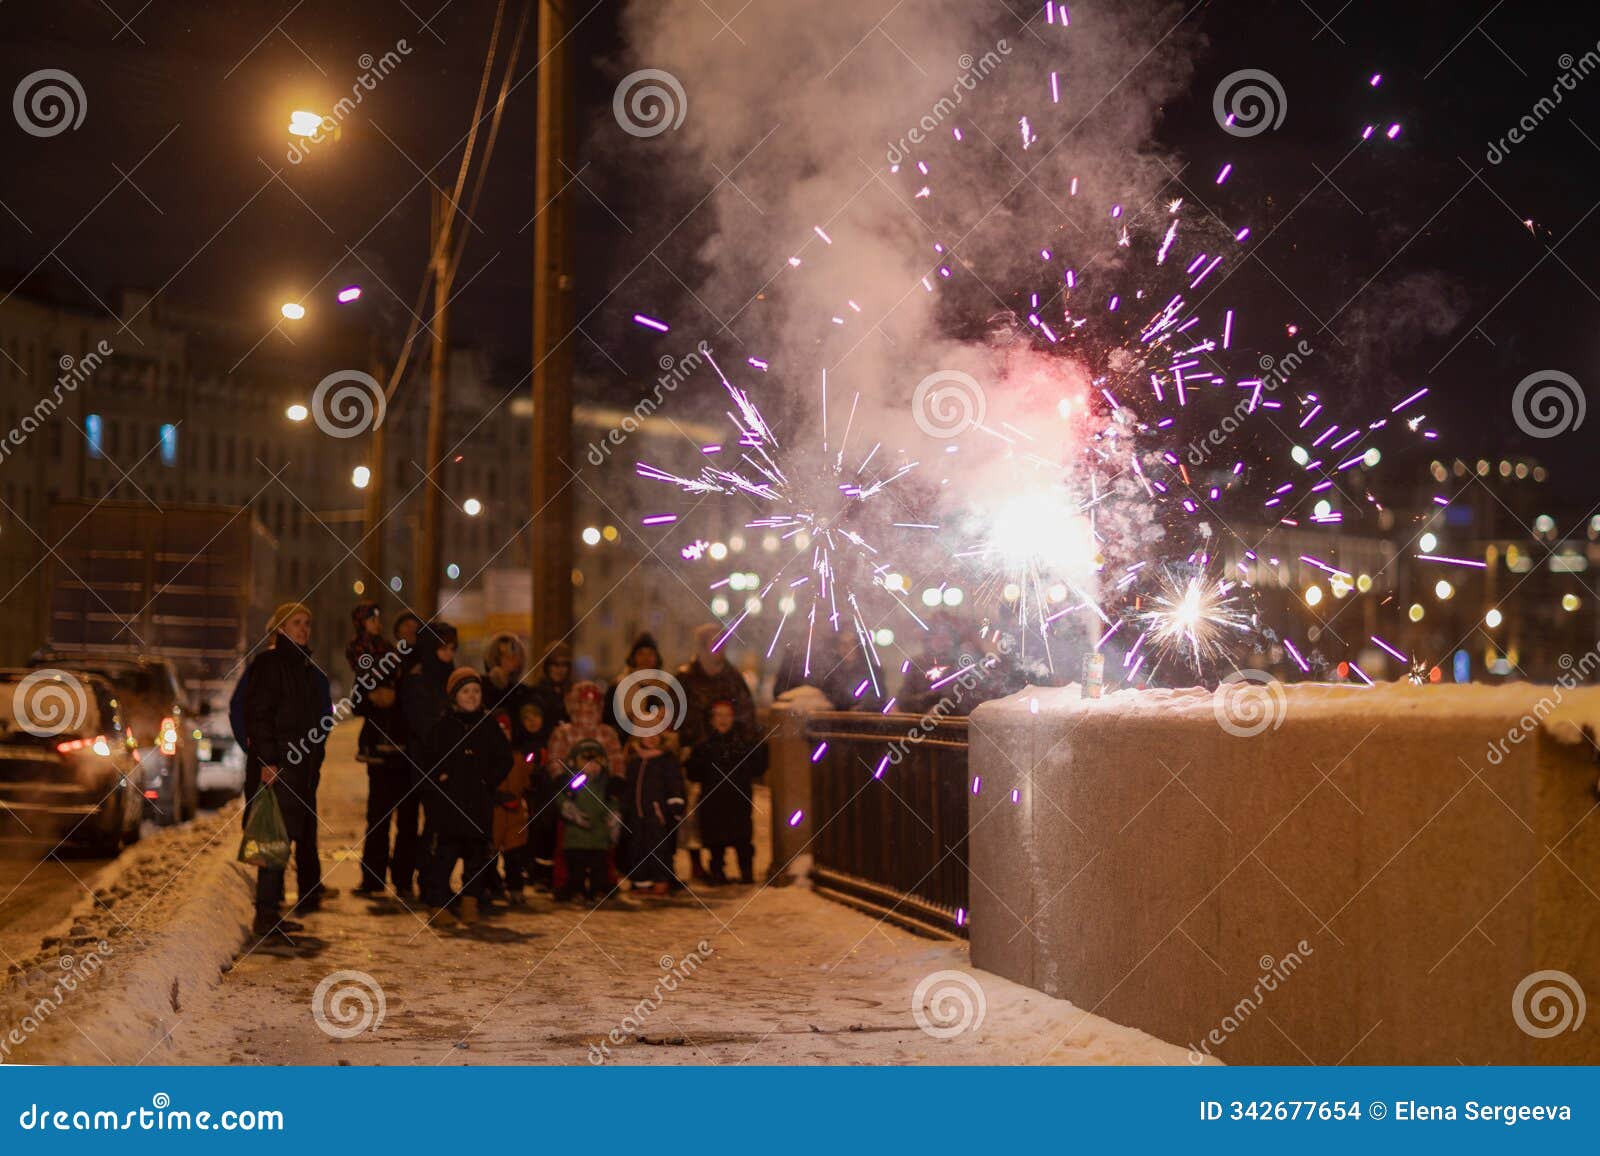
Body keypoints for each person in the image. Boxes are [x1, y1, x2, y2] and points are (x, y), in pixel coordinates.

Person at [241, 602, 329, 942]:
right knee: (272, 840)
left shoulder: (304, 668)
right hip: (278, 769)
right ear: (280, 629)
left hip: (298, 770)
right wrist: (268, 760)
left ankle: (270, 914)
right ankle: (264, 916)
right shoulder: (270, 664)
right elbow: (258, 715)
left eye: (307, 623)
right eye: (296, 623)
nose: (304, 628)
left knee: (285, 839)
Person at [420, 667, 512, 924]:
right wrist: (440, 779)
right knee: (445, 855)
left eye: (476, 691)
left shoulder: (488, 724)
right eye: (465, 691)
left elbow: (504, 758)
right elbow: (428, 760)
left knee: (477, 856)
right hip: (449, 806)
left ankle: (471, 901)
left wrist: (488, 781)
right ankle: (438, 905)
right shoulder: (443, 726)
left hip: (479, 803)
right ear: (453, 696)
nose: (471, 696)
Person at [348, 602, 413, 897]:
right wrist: (373, 697)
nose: (377, 623)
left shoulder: (390, 651)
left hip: (401, 744)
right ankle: (373, 879)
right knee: (378, 815)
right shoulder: (359, 651)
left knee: (405, 817)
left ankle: (401, 878)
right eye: (372, 619)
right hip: (377, 745)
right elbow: (359, 700)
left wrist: (392, 694)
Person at [686, 700, 768, 884]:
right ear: (712, 719)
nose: (723, 719)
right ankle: (717, 871)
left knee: (743, 838)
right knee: (716, 840)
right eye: (719, 715)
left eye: (727, 715)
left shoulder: (743, 743)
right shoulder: (704, 745)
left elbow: (758, 767)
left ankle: (746, 871)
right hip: (713, 799)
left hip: (738, 798)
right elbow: (694, 772)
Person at [622, 725, 685, 896]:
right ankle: (641, 882)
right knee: (638, 847)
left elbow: (675, 785)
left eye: (656, 734)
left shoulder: (666, 759)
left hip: (658, 814)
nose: (652, 738)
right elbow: (628, 787)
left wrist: (675, 807)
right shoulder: (634, 761)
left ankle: (661, 881)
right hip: (637, 814)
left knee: (658, 848)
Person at [557, 738, 619, 905]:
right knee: (576, 868)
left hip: (599, 836)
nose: (591, 766)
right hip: (576, 836)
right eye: (586, 761)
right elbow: (560, 798)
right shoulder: (572, 782)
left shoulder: (606, 783)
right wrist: (568, 809)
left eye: (596, 761)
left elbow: (612, 802)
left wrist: (614, 818)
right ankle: (577, 890)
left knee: (599, 867)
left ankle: (598, 890)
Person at [601, 631, 663, 734]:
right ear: (633, 658)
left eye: (650, 653)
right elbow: (608, 720)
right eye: (641, 654)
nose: (646, 658)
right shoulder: (618, 686)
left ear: (657, 658)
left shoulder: (664, 687)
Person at [528, 640, 574, 729]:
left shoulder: (573, 692)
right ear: (547, 666)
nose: (559, 669)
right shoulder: (536, 693)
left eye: (564, 664)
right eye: (555, 664)